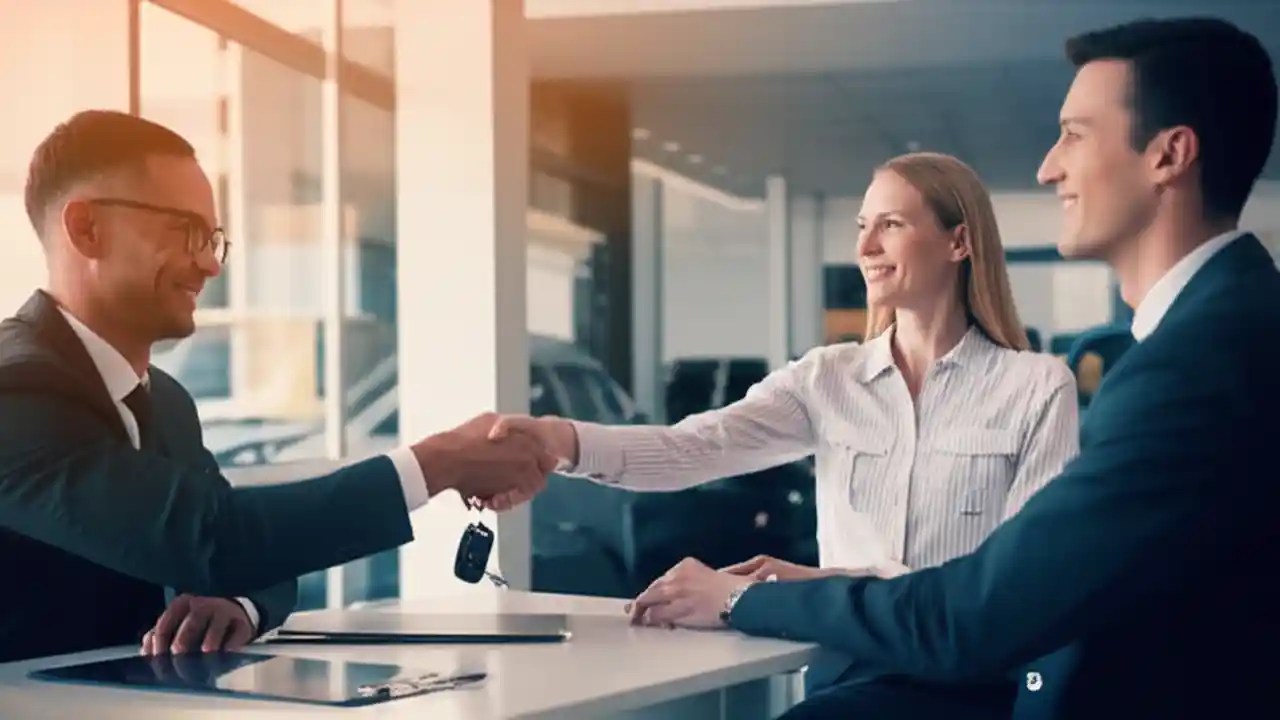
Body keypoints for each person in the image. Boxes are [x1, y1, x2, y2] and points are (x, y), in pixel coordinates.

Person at [624, 17, 1280, 720]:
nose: (1048, 166)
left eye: (1075, 135)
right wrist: (560, 444)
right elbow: (696, 445)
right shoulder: (1220, 332)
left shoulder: (1196, 364)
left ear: (1170, 154)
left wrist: (741, 597)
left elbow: (981, 613)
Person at [488, 151, 1079, 694]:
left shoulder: (1035, 386)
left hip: (974, 683)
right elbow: (694, 447)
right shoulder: (828, 379)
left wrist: (809, 585)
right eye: (861, 226)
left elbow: (1015, 582)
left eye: (891, 225)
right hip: (848, 667)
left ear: (959, 242)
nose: (866, 246)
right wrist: (561, 440)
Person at [0, 110, 553, 663]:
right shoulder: (13, 392)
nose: (208, 266)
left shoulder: (165, 402)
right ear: (86, 229)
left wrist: (239, 604)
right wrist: (436, 464)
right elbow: (215, 537)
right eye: (186, 231)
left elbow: (254, 551)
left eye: (213, 239)